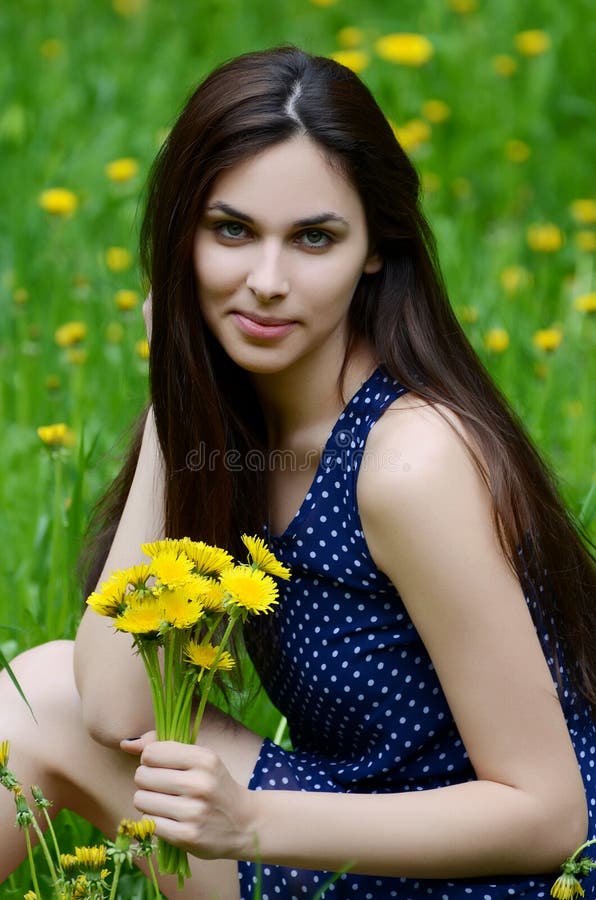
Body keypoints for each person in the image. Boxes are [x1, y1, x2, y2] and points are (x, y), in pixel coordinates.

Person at [1, 44, 595, 900]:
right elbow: (112, 709)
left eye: (314, 238)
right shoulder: (240, 426)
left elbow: (549, 816)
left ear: (375, 251)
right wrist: (177, 390)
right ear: (181, 240)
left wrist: (251, 822)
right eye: (231, 231)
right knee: (44, 691)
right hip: (354, 830)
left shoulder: (410, 463)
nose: (266, 283)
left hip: (490, 879)